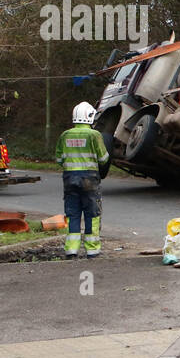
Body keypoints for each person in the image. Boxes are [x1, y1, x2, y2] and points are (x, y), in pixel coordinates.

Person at [54, 102, 110, 259]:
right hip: (89, 179)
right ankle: (92, 250)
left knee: (72, 214)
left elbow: (59, 158)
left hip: (69, 179)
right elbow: (103, 158)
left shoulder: (65, 135)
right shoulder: (94, 135)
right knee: (92, 214)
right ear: (90, 117)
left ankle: (71, 249)